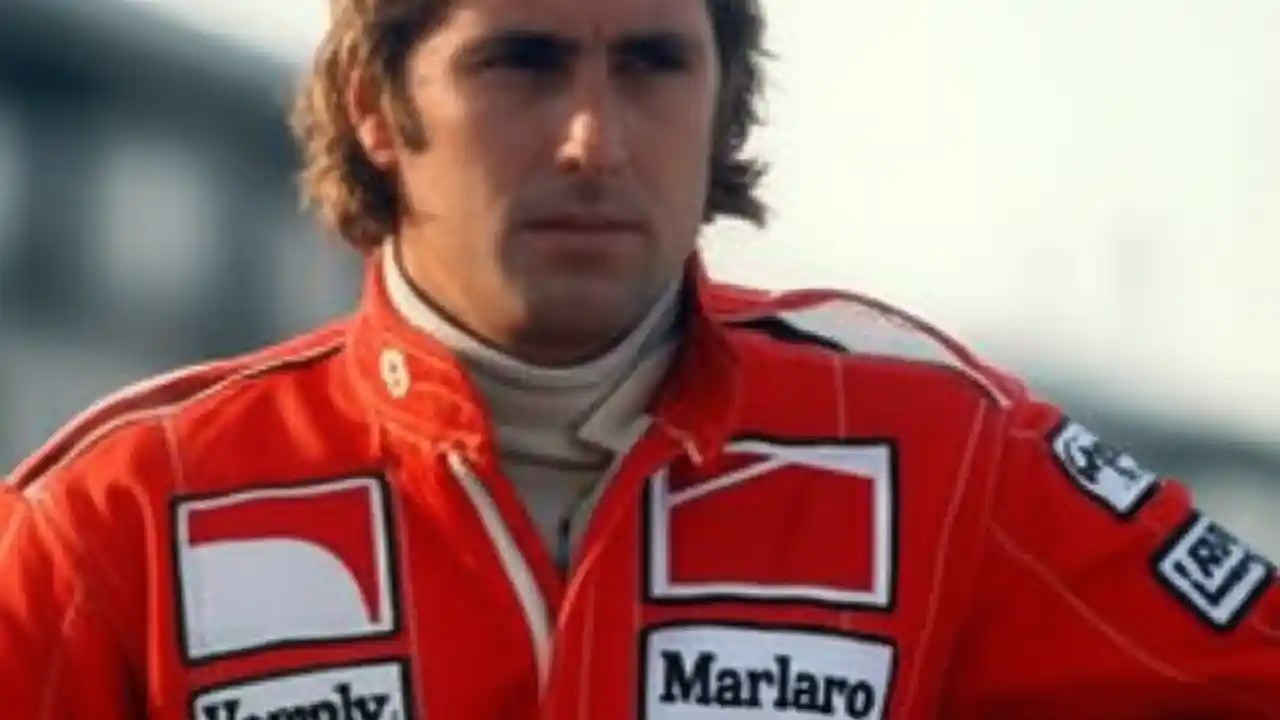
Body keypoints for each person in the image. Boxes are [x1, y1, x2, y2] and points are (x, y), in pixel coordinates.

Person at [1, 0, 1277, 716]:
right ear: (375, 109)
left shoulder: (944, 452)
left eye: (652, 64)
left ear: (722, 99)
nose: (591, 139)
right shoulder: (117, 517)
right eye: (522, 61)